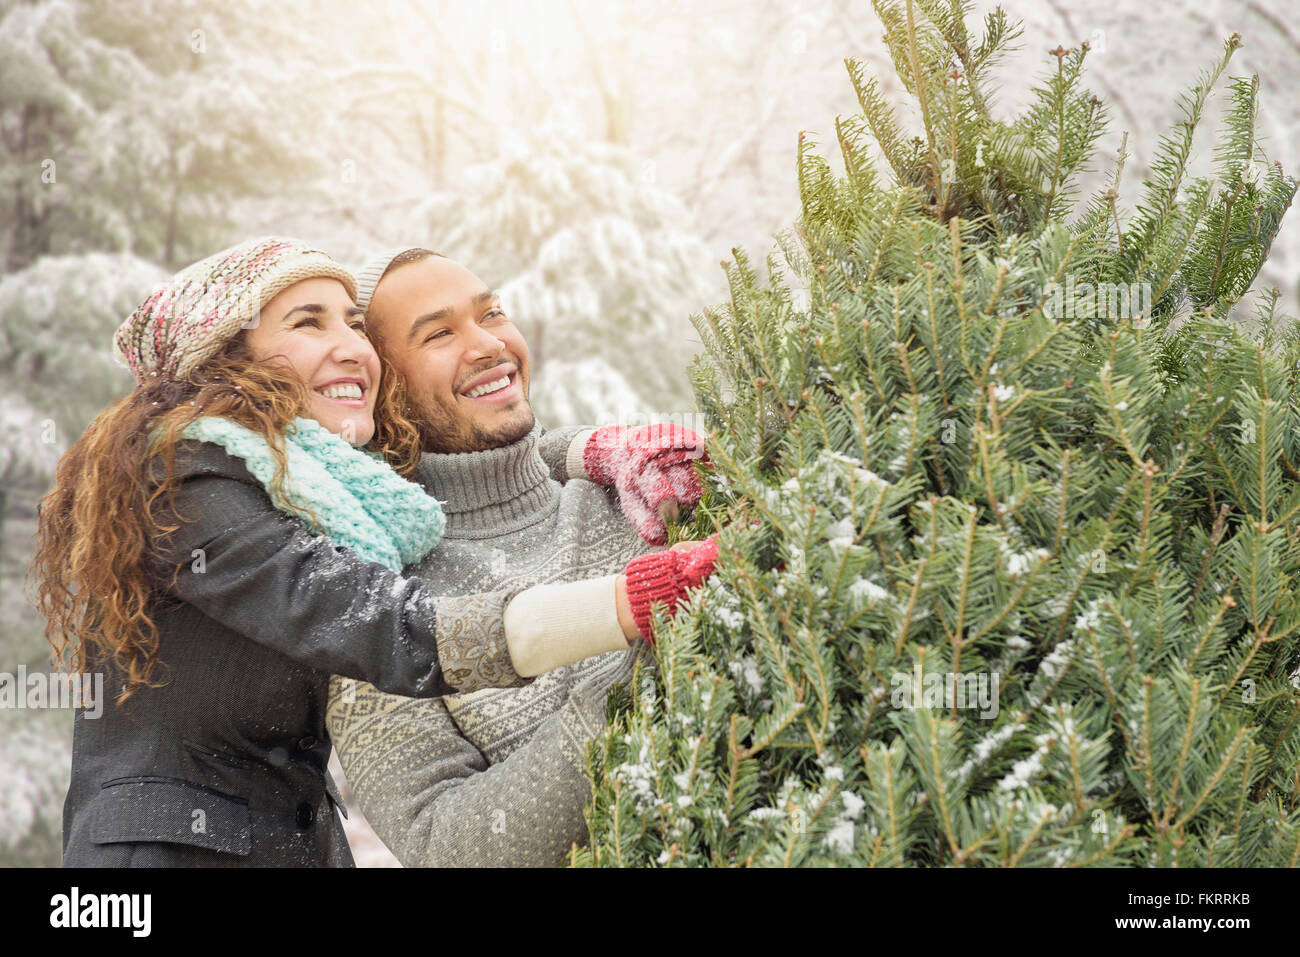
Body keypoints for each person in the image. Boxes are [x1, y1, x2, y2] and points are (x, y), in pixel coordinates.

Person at [32, 236, 716, 867]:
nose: (351, 346)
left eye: (354, 324)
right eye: (308, 322)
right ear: (225, 356)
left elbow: (473, 453)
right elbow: (378, 622)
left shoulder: (332, 495)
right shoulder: (190, 473)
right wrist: (631, 611)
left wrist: (591, 448)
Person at [327, 247, 717, 866]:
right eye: (439, 334)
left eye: (493, 312)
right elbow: (443, 846)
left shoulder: (639, 486)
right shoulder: (380, 616)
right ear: (382, 386)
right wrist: (630, 677)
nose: (488, 344)